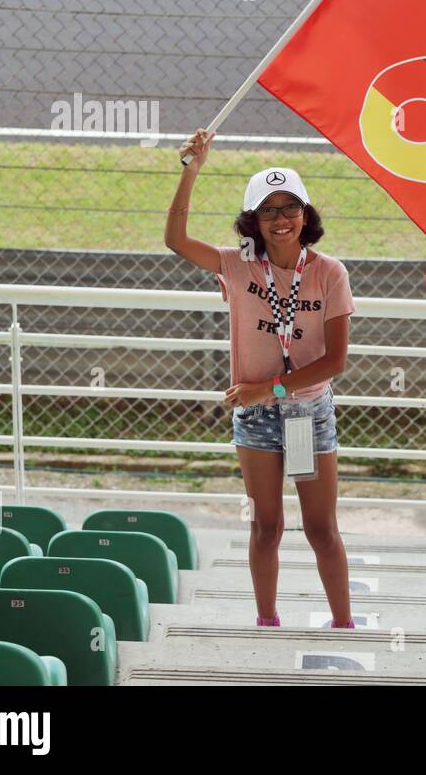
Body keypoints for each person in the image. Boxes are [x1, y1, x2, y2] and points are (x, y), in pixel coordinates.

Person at [164, 128, 356, 629]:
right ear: (253, 221)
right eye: (268, 210)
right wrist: (192, 170)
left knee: (321, 528)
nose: (281, 220)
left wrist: (267, 389)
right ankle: (266, 621)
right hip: (256, 421)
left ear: (306, 216)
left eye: (290, 208)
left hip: (306, 416)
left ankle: (343, 624)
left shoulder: (329, 273)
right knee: (265, 526)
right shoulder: (237, 265)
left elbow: (334, 361)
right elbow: (175, 240)